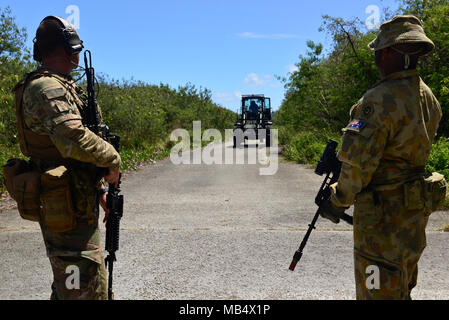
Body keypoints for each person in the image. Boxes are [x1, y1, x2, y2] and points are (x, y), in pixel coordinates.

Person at [319, 15, 443, 299]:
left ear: (388, 51)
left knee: (375, 293)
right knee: (401, 289)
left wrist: (337, 199)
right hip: (412, 221)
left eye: (378, 51)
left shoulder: (378, 100)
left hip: (382, 224)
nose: (376, 57)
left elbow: (358, 166)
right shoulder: (428, 97)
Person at [13, 16, 121, 299]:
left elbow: (72, 151)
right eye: (74, 48)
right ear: (65, 49)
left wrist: (98, 187)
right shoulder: (46, 87)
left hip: (76, 202)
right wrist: (113, 159)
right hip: (65, 206)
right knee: (80, 287)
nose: (77, 54)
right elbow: (72, 139)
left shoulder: (61, 85)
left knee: (79, 284)